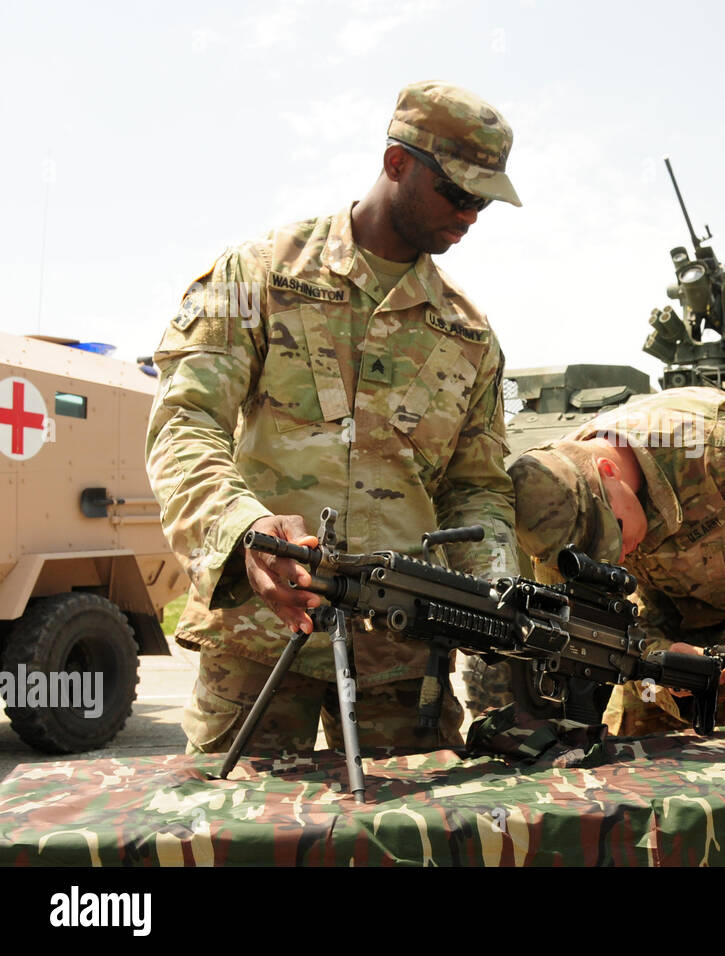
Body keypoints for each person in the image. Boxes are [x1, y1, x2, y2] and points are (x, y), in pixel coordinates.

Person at [147, 81, 522, 756]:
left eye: (484, 200)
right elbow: (185, 421)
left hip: (402, 660)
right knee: (241, 842)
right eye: (458, 193)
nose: (470, 216)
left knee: (412, 847)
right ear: (397, 163)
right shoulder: (258, 275)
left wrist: (496, 590)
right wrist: (242, 528)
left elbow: (478, 488)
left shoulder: (469, 335)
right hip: (260, 642)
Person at [495, 386, 725, 734]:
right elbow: (578, 617)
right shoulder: (549, 501)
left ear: (610, 472)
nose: (618, 557)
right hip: (653, 639)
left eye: (613, 536)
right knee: (633, 789)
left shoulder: (720, 452)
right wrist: (652, 656)